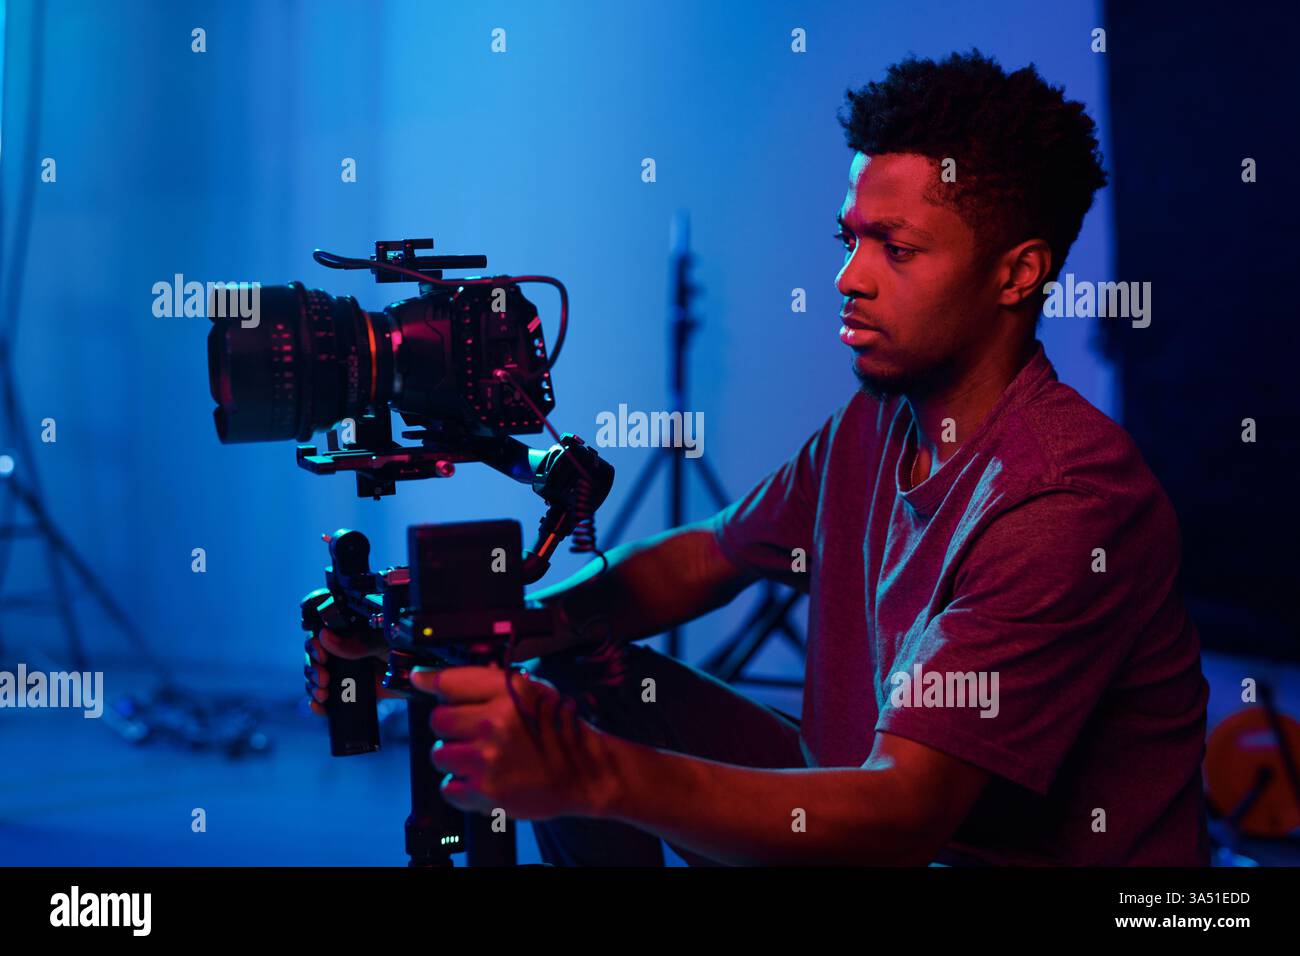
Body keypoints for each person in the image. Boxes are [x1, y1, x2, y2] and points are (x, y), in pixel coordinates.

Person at [305, 49, 1209, 866]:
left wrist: (594, 776)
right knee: (574, 672)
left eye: (895, 249)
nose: (849, 278)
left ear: (1018, 274)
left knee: (590, 737)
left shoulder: (1067, 499)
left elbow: (903, 812)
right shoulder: (876, 421)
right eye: (848, 239)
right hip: (873, 810)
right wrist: (445, 636)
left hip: (934, 840)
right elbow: (704, 555)